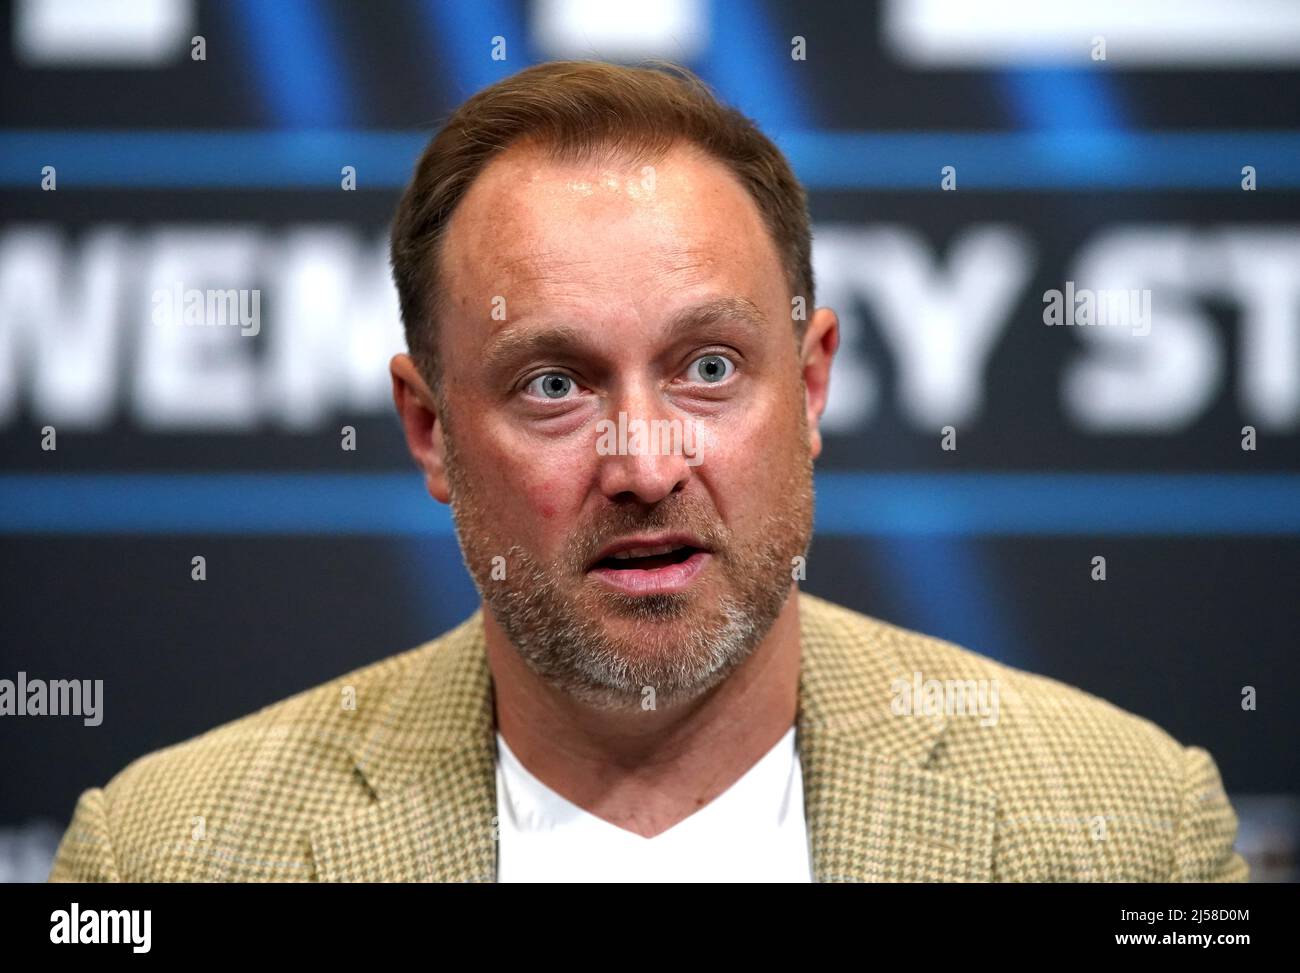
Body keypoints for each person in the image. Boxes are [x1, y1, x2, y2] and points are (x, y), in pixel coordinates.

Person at [49, 60, 1247, 882]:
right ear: (429, 432)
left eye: (709, 367)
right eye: (553, 385)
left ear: (814, 384)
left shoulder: (1131, 829)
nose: (644, 463)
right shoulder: (166, 856)